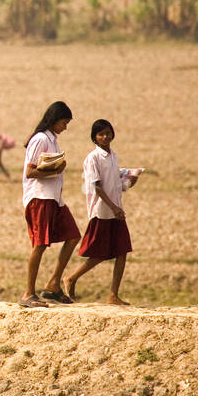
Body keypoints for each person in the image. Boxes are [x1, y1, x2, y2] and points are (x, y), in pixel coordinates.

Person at [65, 119, 142, 305]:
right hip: (102, 211)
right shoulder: (93, 158)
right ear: (95, 138)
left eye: (108, 133)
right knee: (99, 254)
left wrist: (129, 182)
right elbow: (97, 187)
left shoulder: (113, 156)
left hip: (116, 209)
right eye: (101, 134)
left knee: (122, 251)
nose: (105, 137)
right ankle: (71, 278)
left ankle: (113, 295)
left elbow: (114, 183)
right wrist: (114, 208)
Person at [19, 101, 81, 308]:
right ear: (55, 119)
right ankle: (28, 293)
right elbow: (30, 172)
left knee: (73, 236)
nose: (65, 127)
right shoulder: (40, 139)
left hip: (54, 198)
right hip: (40, 198)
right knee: (40, 244)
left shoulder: (52, 140)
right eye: (64, 122)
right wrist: (55, 169)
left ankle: (53, 284)